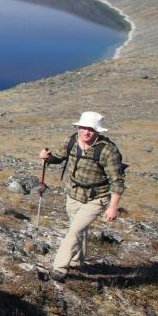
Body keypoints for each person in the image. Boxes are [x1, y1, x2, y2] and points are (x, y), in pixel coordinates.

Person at [39, 111, 125, 282]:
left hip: (96, 197)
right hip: (73, 193)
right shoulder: (72, 140)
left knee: (74, 231)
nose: (86, 132)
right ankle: (77, 261)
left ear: (98, 131)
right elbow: (58, 157)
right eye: (83, 128)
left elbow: (117, 181)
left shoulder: (108, 151)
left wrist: (113, 207)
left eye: (91, 129)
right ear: (78, 127)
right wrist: (47, 158)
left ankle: (59, 268)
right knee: (77, 228)